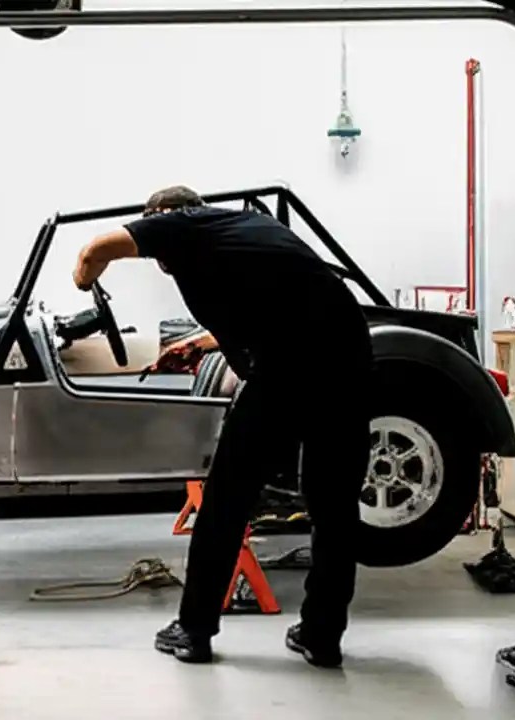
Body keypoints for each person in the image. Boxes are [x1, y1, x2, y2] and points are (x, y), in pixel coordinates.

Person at [72, 185, 374, 667]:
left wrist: (83, 279)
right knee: (334, 505)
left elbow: (96, 251)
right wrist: (203, 343)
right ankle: (322, 635)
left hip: (288, 368)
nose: (158, 261)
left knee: (227, 501)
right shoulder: (238, 230)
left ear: (164, 217)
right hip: (348, 358)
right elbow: (275, 305)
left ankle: (193, 630)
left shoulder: (180, 223)